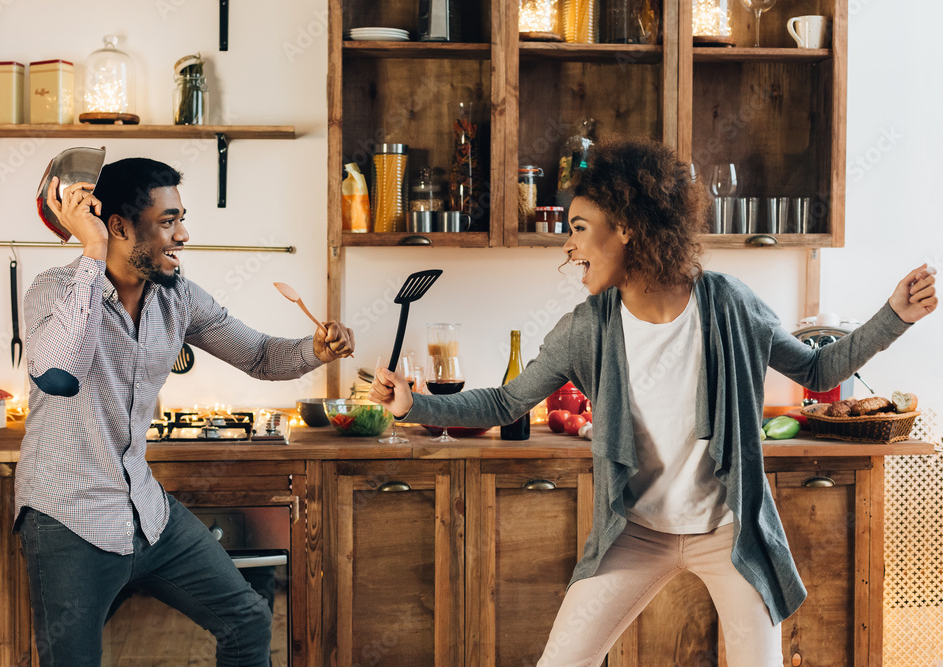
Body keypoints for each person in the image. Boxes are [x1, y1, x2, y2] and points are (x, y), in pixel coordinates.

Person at [369, 137, 937, 666]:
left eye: (579, 227)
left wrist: (894, 317)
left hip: (728, 531)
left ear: (628, 228)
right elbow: (504, 403)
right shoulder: (587, 328)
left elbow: (817, 368)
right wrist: (413, 406)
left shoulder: (729, 305)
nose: (567, 245)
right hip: (634, 531)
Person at [15, 157, 355, 666]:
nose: (184, 234)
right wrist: (91, 251)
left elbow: (259, 355)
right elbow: (58, 377)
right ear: (119, 227)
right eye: (168, 221)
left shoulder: (178, 299)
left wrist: (316, 350)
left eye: (181, 218)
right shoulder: (55, 291)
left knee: (246, 617)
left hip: (145, 512)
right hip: (69, 520)